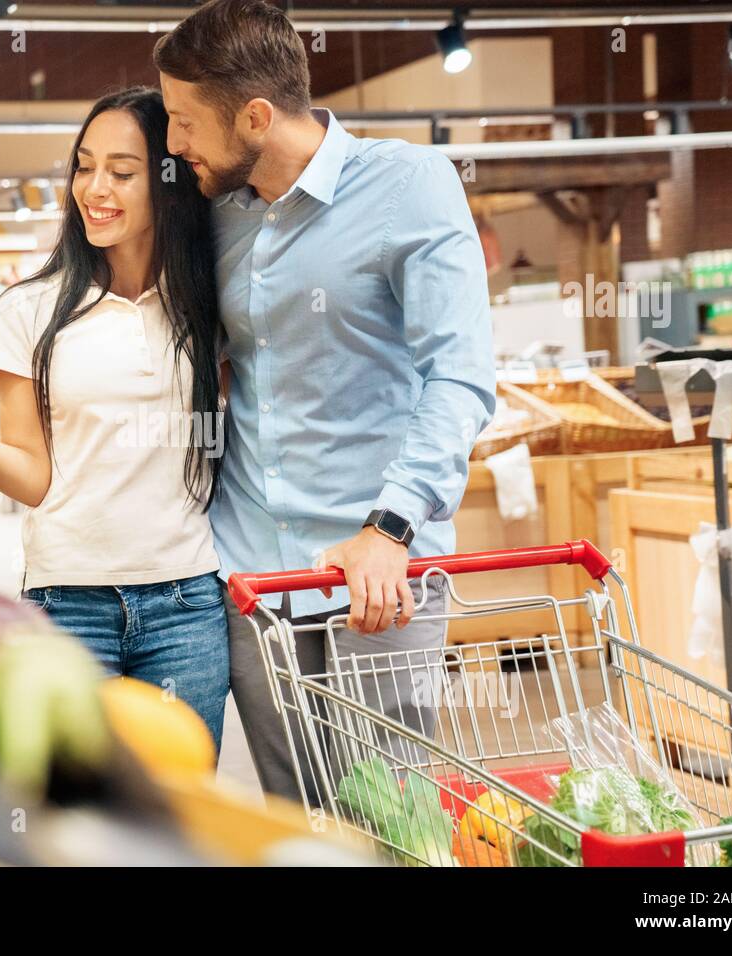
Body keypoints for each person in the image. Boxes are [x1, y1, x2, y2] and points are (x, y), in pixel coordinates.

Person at [155, 0, 496, 802]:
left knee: (393, 820)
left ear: (255, 118)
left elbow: (461, 376)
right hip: (253, 580)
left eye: (183, 122)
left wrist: (390, 527)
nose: (173, 145)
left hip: (377, 576)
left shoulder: (407, 185)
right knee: (300, 823)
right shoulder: (213, 217)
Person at [0, 87, 231, 752]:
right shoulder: (27, 311)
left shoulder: (206, 306)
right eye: (83, 165)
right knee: (84, 811)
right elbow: (36, 478)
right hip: (69, 604)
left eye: (122, 172)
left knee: (179, 811)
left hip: (187, 606)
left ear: (169, 183)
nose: (95, 188)